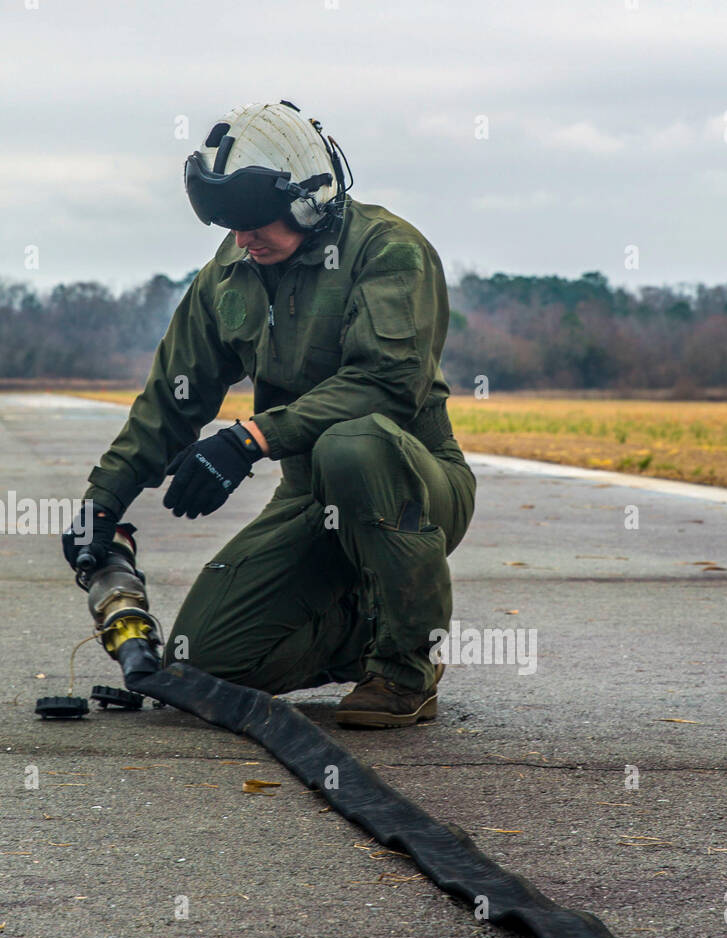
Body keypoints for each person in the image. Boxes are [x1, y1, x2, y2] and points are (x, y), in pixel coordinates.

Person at [63, 100, 475, 728]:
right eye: (227, 223)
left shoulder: (388, 250)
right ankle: (365, 631)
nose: (243, 238)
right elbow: (171, 402)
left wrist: (251, 439)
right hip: (310, 495)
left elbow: (386, 383)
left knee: (353, 445)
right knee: (199, 665)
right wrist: (102, 505)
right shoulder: (229, 276)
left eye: (255, 221)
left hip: (411, 481)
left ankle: (405, 667)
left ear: (311, 199)